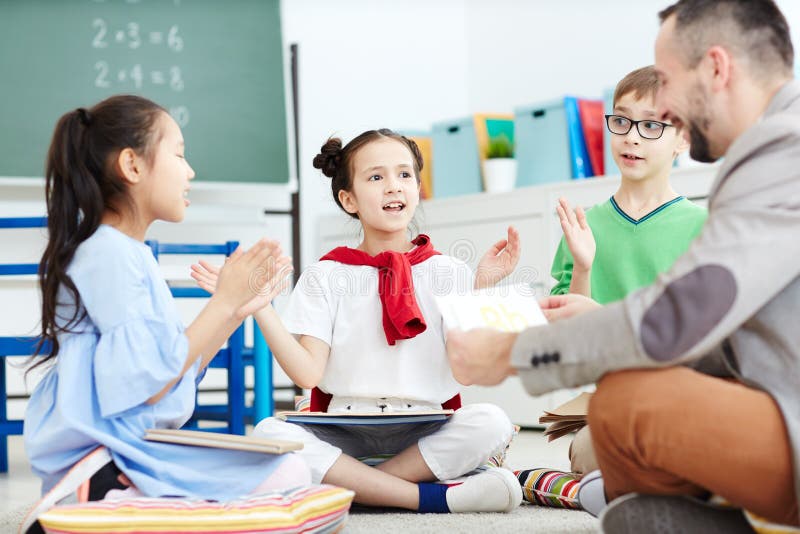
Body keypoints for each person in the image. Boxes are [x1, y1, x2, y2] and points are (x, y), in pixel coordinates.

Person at [445, 0, 800, 532]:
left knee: (623, 407)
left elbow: (676, 319)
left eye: (668, 82)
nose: (665, 108)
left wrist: (509, 353)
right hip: (765, 395)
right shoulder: (772, 148)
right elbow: (720, 334)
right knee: (624, 451)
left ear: (716, 68)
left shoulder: (783, 153)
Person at [192, 128, 523, 514]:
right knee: (268, 431)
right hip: (344, 428)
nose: (393, 186)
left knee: (492, 421)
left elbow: (466, 374)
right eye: (376, 177)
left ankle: (360, 486)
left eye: (404, 174)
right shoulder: (325, 274)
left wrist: (481, 291)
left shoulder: (449, 271)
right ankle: (427, 497)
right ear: (348, 199)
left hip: (424, 428)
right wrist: (261, 308)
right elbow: (308, 374)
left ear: (418, 188)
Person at [22, 95, 310, 531]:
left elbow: (173, 369)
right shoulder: (108, 254)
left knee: (291, 470)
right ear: (132, 166)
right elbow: (150, 382)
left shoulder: (126, 252)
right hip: (106, 457)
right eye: (178, 154)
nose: (190, 171)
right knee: (285, 478)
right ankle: (98, 502)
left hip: (131, 447)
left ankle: (123, 506)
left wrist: (235, 312)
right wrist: (223, 302)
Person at [550, 65, 707, 476]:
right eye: (621, 121)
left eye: (651, 125)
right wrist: (583, 267)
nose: (632, 137)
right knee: (590, 451)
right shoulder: (585, 227)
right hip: (616, 406)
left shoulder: (704, 228)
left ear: (683, 139)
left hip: (685, 399)